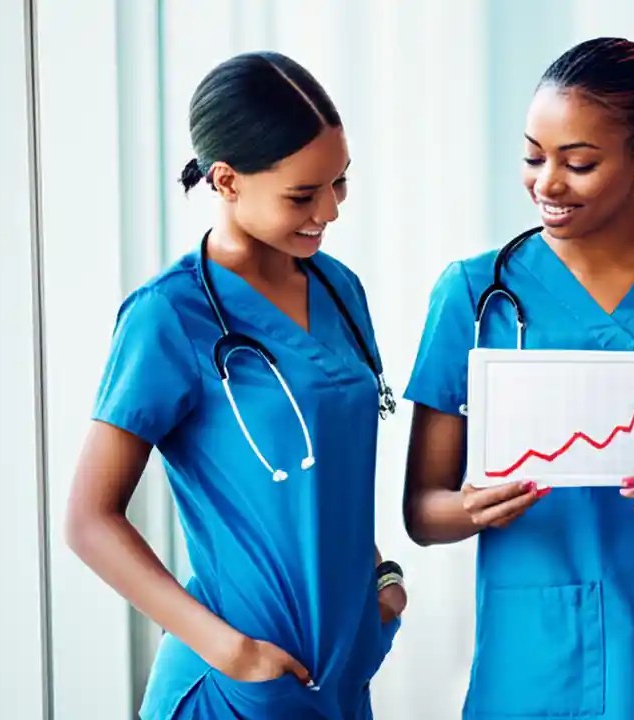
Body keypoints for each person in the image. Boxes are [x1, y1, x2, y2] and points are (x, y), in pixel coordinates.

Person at [402, 37, 634, 719]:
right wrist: (472, 508)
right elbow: (422, 512)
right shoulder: (473, 295)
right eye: (533, 157)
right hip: (536, 653)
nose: (547, 183)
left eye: (577, 163)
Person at [65, 51, 405, 720]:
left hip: (339, 675)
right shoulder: (170, 314)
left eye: (339, 182)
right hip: (237, 685)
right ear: (226, 180)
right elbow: (88, 520)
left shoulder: (341, 290)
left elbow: (319, 474)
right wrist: (233, 653)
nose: (330, 211)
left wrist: (382, 579)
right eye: (302, 195)